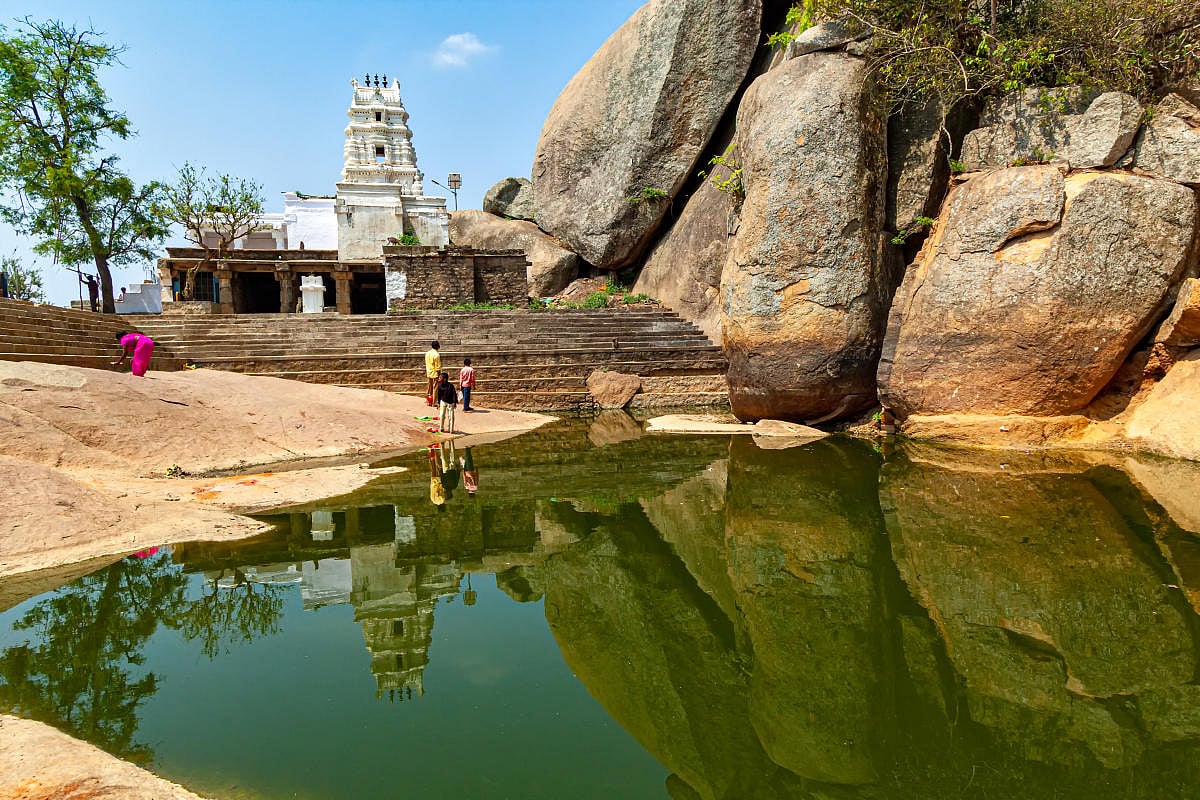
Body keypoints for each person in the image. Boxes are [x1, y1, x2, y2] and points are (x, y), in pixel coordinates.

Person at [424, 340, 441, 406]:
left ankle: (428, 401)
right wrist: (439, 375)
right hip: (435, 374)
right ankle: (434, 402)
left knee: (430, 388)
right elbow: (438, 367)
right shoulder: (436, 355)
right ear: (437, 346)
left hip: (429, 372)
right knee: (435, 389)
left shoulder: (427, 353)